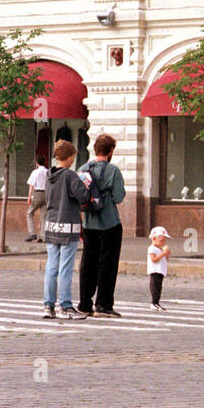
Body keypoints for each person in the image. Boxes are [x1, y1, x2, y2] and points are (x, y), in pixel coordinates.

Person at [77, 134, 127, 317]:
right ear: (111, 151)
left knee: (88, 264)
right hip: (110, 223)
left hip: (89, 223)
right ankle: (103, 304)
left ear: (95, 149)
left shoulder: (83, 168)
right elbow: (118, 197)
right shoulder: (113, 171)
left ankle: (84, 304)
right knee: (108, 264)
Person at [41, 140, 91, 320]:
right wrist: (86, 186)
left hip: (51, 225)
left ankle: (48, 305)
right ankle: (66, 305)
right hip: (68, 226)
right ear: (70, 157)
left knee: (51, 267)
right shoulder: (70, 176)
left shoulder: (48, 174)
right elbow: (83, 195)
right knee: (65, 268)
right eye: (73, 157)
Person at [25, 153, 48, 242]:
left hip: (37, 193)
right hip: (46, 194)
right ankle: (43, 236)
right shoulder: (47, 172)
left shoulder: (35, 172)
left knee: (29, 213)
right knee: (44, 216)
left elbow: (31, 185)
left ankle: (32, 233)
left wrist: (29, 197)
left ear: (37, 162)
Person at [147, 226, 171, 311]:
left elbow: (166, 259)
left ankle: (157, 302)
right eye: (161, 240)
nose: (163, 242)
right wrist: (163, 253)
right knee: (155, 287)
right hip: (155, 270)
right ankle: (154, 303)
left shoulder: (161, 248)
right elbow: (154, 259)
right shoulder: (152, 248)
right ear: (154, 239)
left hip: (161, 270)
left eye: (164, 240)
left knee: (159, 287)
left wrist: (167, 254)